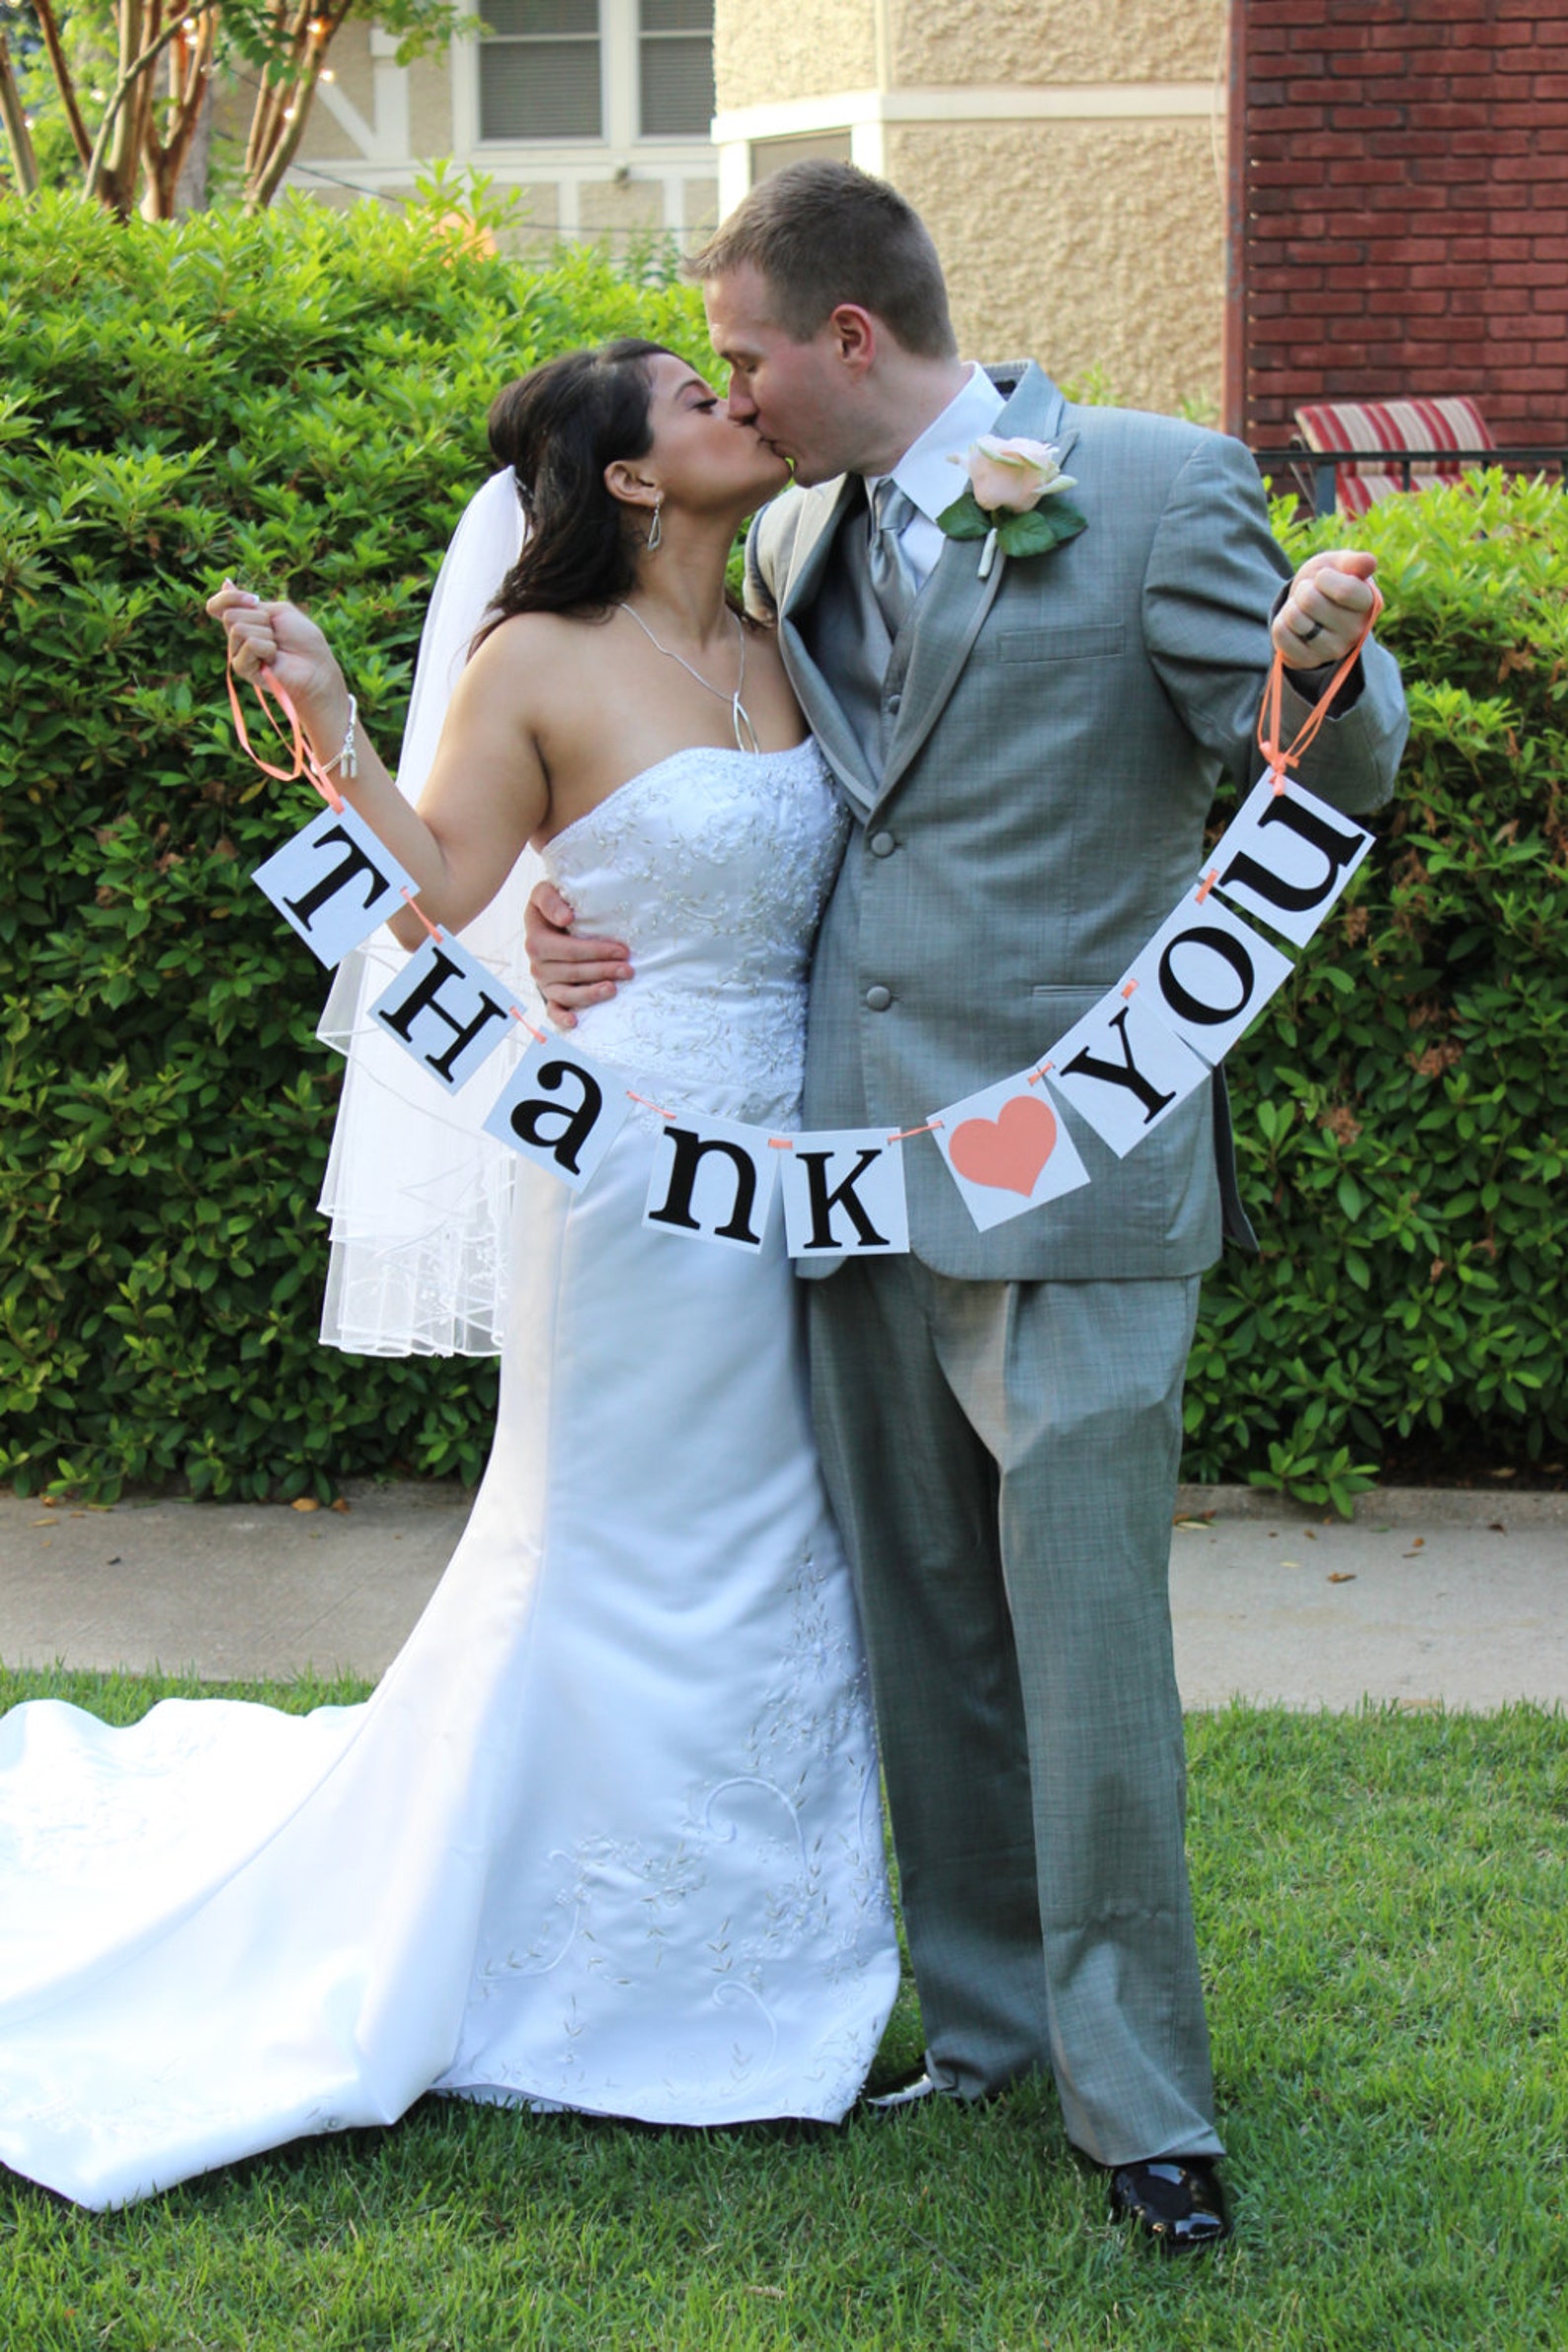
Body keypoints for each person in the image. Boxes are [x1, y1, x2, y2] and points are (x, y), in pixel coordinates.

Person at [525, 165, 1411, 2251]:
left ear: (847, 342)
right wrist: (576, 912)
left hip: (1074, 1175)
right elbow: (735, 795)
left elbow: (1319, 768)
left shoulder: (1161, 488)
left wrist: (1326, 662)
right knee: (928, 1643)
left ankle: (1142, 2110)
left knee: (1086, 1657)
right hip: (844, 1170)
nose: (723, 390)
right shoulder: (803, 542)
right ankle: (993, 2034)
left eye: (740, 352)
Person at [0, 339, 901, 2212]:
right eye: (689, 391)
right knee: (612, 1539)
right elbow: (428, 888)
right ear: (629, 476)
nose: (737, 399)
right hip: (628, 1179)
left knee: (786, 1542)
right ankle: (569, 1945)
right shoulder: (534, 661)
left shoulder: (790, 635)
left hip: (791, 1174)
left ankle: (776, 1953)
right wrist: (331, 722)